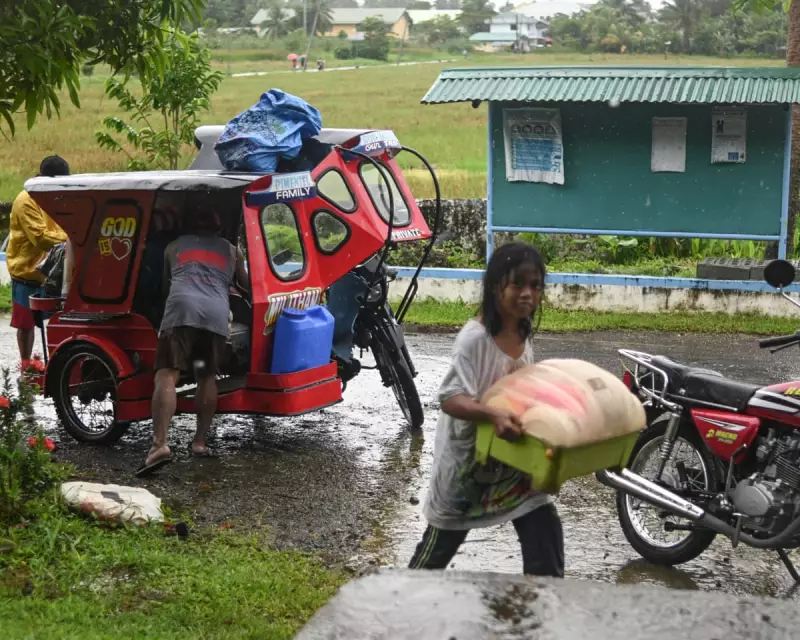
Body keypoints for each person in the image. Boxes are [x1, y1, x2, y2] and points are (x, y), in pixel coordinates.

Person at [408, 242, 564, 577]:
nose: (527, 293)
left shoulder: (522, 331)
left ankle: (542, 601)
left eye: (535, 286)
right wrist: (492, 414)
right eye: (517, 284)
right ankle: (401, 598)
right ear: (495, 287)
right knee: (438, 548)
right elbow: (450, 398)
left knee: (543, 526)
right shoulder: (474, 339)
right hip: (468, 466)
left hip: (511, 462)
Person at [137, 207, 248, 476]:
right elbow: (246, 286)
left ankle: (160, 445)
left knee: (167, 374)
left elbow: (166, 285)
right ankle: (199, 442)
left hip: (181, 312)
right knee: (206, 375)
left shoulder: (174, 246)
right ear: (218, 228)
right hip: (215, 316)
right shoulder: (232, 251)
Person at [7, 156, 69, 366]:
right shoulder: (26, 200)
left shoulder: (56, 196)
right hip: (27, 270)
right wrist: (74, 238)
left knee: (58, 320)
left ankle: (57, 363)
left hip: (54, 271)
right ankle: (26, 365)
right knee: (25, 324)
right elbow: (40, 238)